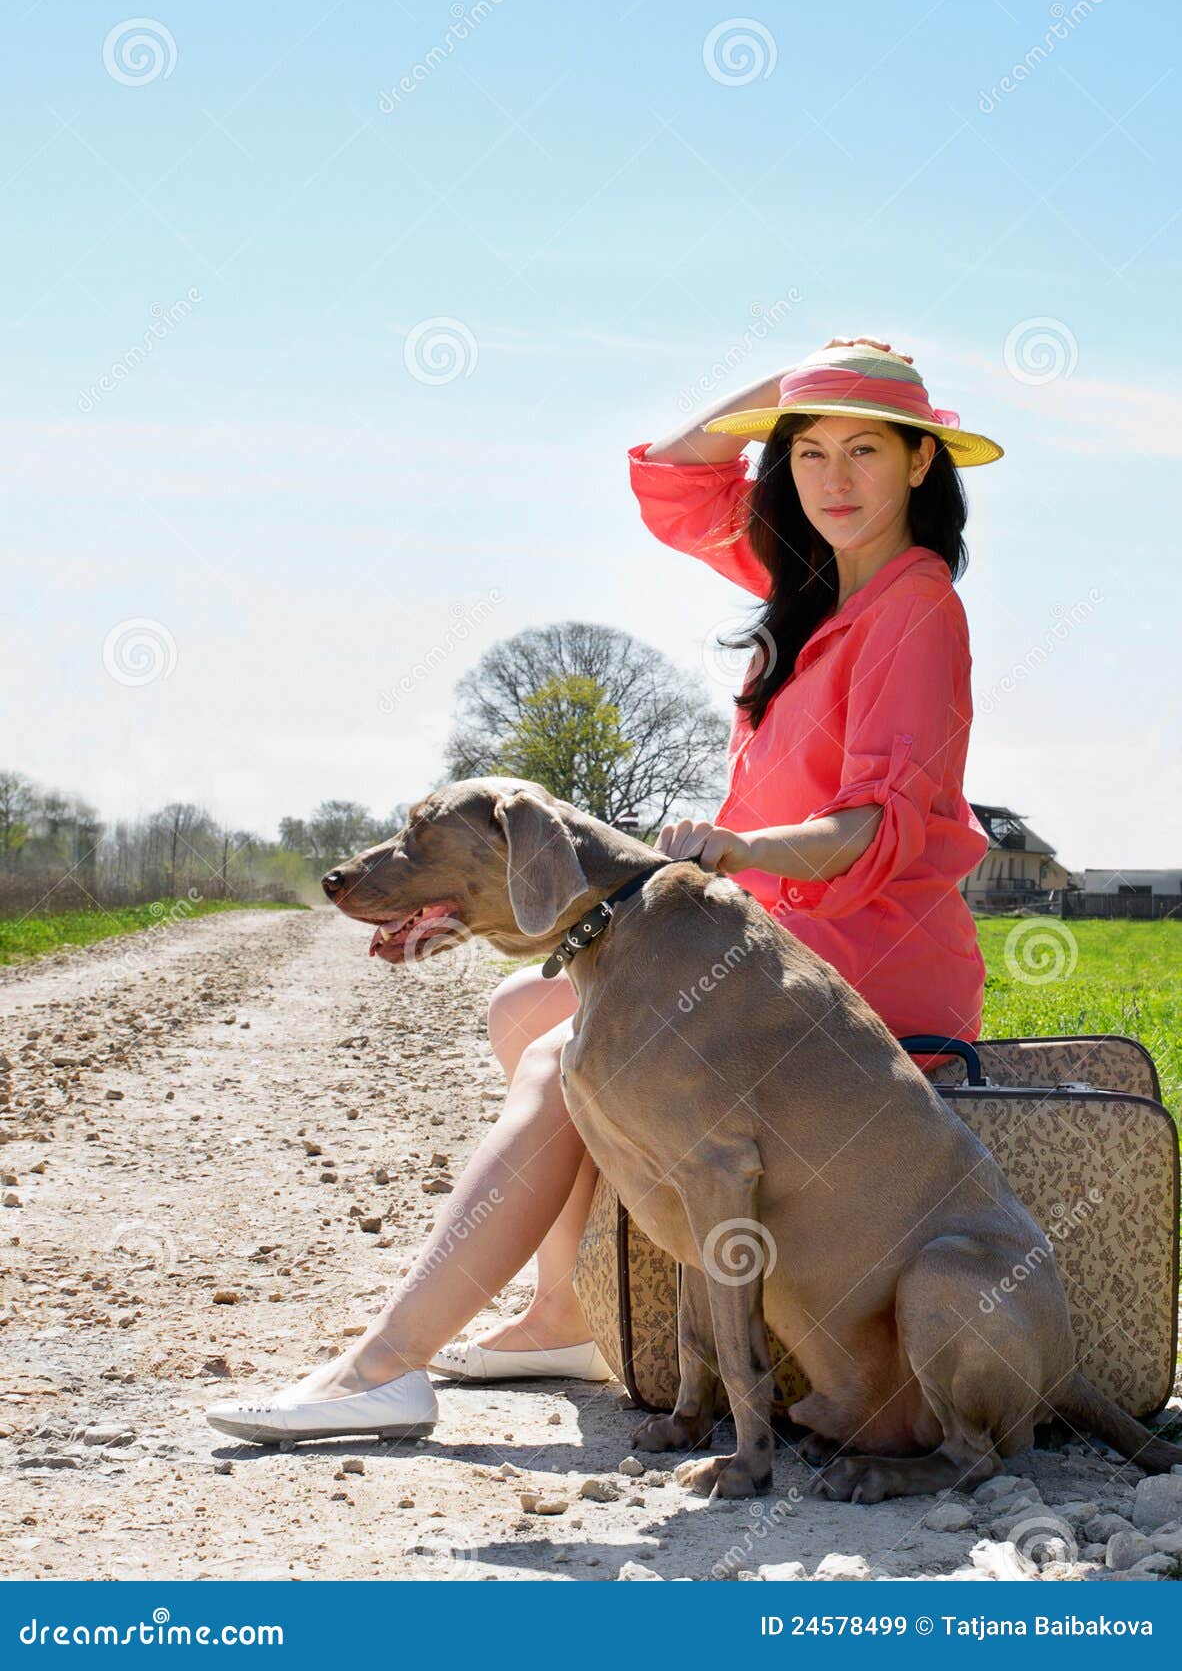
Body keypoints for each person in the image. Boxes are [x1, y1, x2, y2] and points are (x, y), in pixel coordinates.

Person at [205, 336, 1002, 1445]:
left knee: (559, 1053)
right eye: (808, 451)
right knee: (523, 1005)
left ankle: (382, 1367)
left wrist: (736, 845)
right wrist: (810, 377)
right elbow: (676, 477)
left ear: (923, 464)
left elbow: (879, 827)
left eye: (865, 448)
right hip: (766, 956)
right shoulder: (812, 588)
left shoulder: (914, 610)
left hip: (851, 973)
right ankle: (564, 1312)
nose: (833, 478)